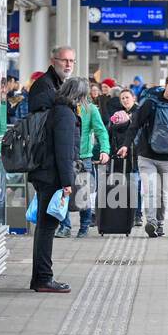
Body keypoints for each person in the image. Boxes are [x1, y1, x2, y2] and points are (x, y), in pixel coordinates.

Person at [120, 73, 168, 238]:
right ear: (165, 85)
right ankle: (151, 222)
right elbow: (135, 125)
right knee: (150, 190)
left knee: (164, 194)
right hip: (147, 156)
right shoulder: (151, 104)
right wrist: (125, 145)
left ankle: (160, 224)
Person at [29, 77, 82, 292]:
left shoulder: (55, 110)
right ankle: (44, 278)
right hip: (52, 178)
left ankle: (39, 278)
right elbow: (64, 152)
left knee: (43, 227)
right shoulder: (65, 115)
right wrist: (67, 183)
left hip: (44, 174)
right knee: (48, 227)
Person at [61, 85, 110, 238]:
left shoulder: (90, 110)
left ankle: (84, 227)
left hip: (84, 157)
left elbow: (101, 130)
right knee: (63, 192)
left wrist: (104, 150)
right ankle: (65, 226)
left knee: (84, 194)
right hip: (65, 156)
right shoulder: (63, 109)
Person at [107, 87, 141, 227]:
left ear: (134, 98)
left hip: (136, 155)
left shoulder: (139, 113)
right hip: (120, 155)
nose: (125, 100)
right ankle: (124, 214)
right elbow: (111, 134)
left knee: (135, 185)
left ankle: (137, 214)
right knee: (122, 185)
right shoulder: (118, 115)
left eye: (127, 97)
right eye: (122, 98)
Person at [30, 45, 75, 115]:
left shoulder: (61, 83)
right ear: (53, 62)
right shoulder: (43, 84)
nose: (68, 64)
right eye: (64, 60)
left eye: (71, 61)